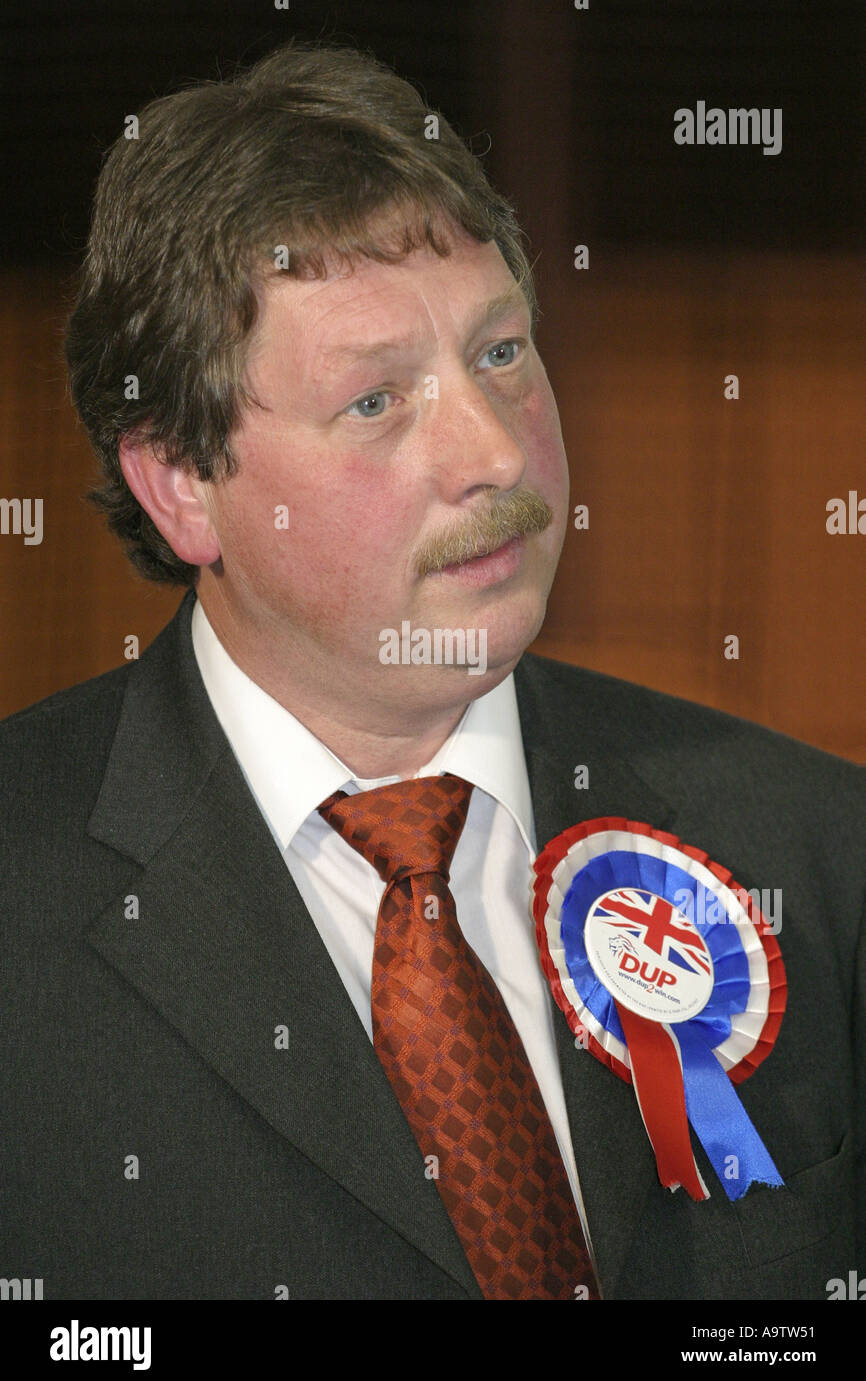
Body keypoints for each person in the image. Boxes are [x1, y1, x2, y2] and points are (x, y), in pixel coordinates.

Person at [2, 39, 863, 1302]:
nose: (493, 454)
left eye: (500, 353)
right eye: (376, 401)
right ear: (182, 484)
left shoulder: (818, 848)